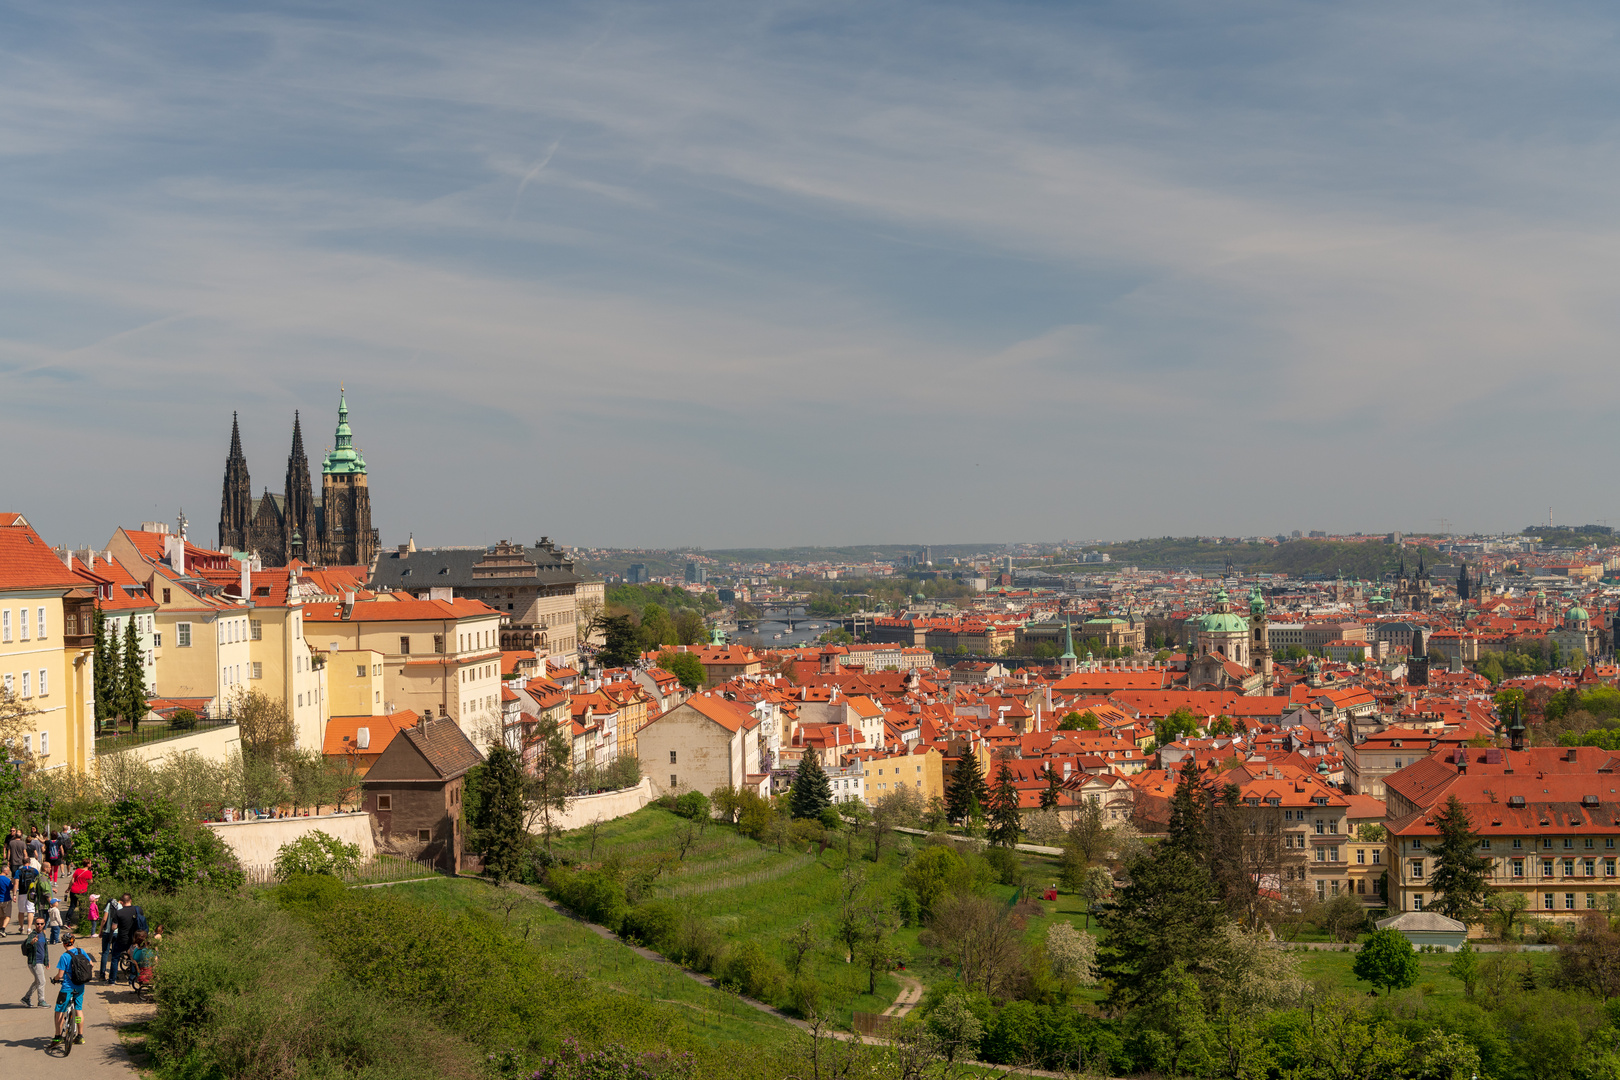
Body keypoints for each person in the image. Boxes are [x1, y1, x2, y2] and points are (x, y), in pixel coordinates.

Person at [50, 931, 91, 1047]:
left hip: (67, 988)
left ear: (64, 944)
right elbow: (91, 964)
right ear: (73, 941)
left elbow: (60, 975)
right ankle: (80, 1035)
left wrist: (55, 979)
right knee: (78, 1010)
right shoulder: (81, 951)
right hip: (80, 987)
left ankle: (58, 1037)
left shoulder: (64, 956)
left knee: (59, 1011)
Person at [107, 893, 140, 985]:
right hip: (133, 939)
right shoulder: (136, 910)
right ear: (131, 900)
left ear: (121, 902)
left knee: (115, 958)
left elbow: (114, 927)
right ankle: (131, 980)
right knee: (133, 958)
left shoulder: (119, 912)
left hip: (121, 938)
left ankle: (112, 980)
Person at [20, 914, 49, 1008]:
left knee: (37, 981)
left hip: (41, 961)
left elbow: (45, 949)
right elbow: (28, 944)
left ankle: (26, 997)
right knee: (42, 981)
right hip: (34, 962)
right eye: (37, 924)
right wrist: (32, 942)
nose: (39, 925)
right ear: (34, 924)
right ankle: (41, 1000)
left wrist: (47, 961)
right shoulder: (32, 935)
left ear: (44, 924)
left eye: (41, 924)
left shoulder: (43, 935)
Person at [96, 895, 121, 982]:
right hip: (117, 933)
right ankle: (113, 974)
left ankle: (102, 975)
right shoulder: (121, 906)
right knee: (115, 955)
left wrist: (100, 931)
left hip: (107, 932)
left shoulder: (109, 905)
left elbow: (104, 919)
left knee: (105, 953)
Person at [0, 865, 11, 936]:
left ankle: (0, 929)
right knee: (7, 916)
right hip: (6, 899)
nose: (9, 871)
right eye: (8, 870)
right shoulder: (6, 880)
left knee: (1, 916)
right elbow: (11, 887)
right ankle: (3, 929)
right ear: (5, 870)